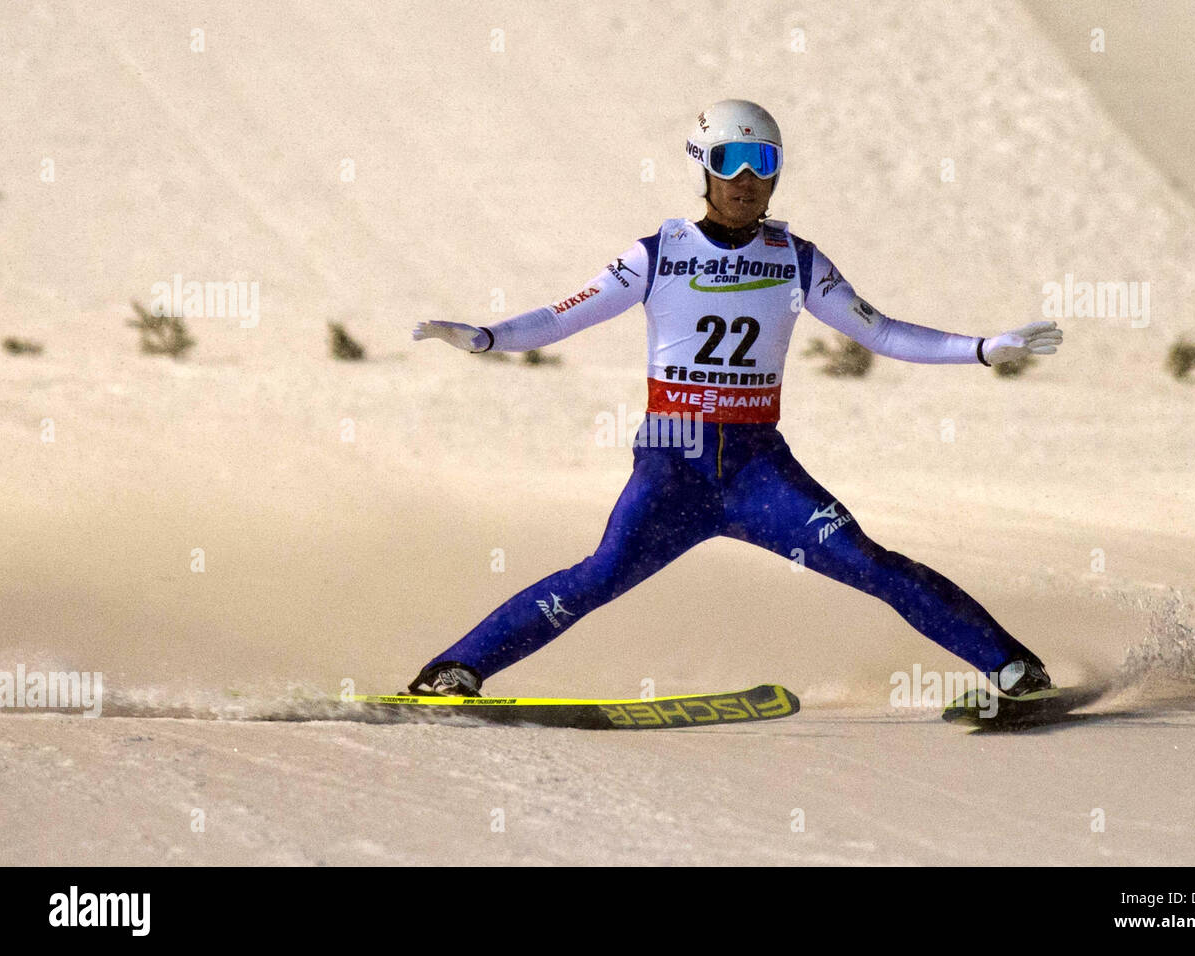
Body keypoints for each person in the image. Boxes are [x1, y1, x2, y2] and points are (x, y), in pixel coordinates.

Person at [408, 99, 1063, 700]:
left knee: (870, 564)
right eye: (730, 161)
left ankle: (1013, 669)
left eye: (764, 162)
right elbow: (559, 317)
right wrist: (487, 337)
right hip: (675, 462)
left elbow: (882, 331)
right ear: (704, 168)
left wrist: (982, 348)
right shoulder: (658, 253)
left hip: (758, 469)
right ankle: (454, 671)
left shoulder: (796, 259)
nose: (747, 177)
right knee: (600, 575)